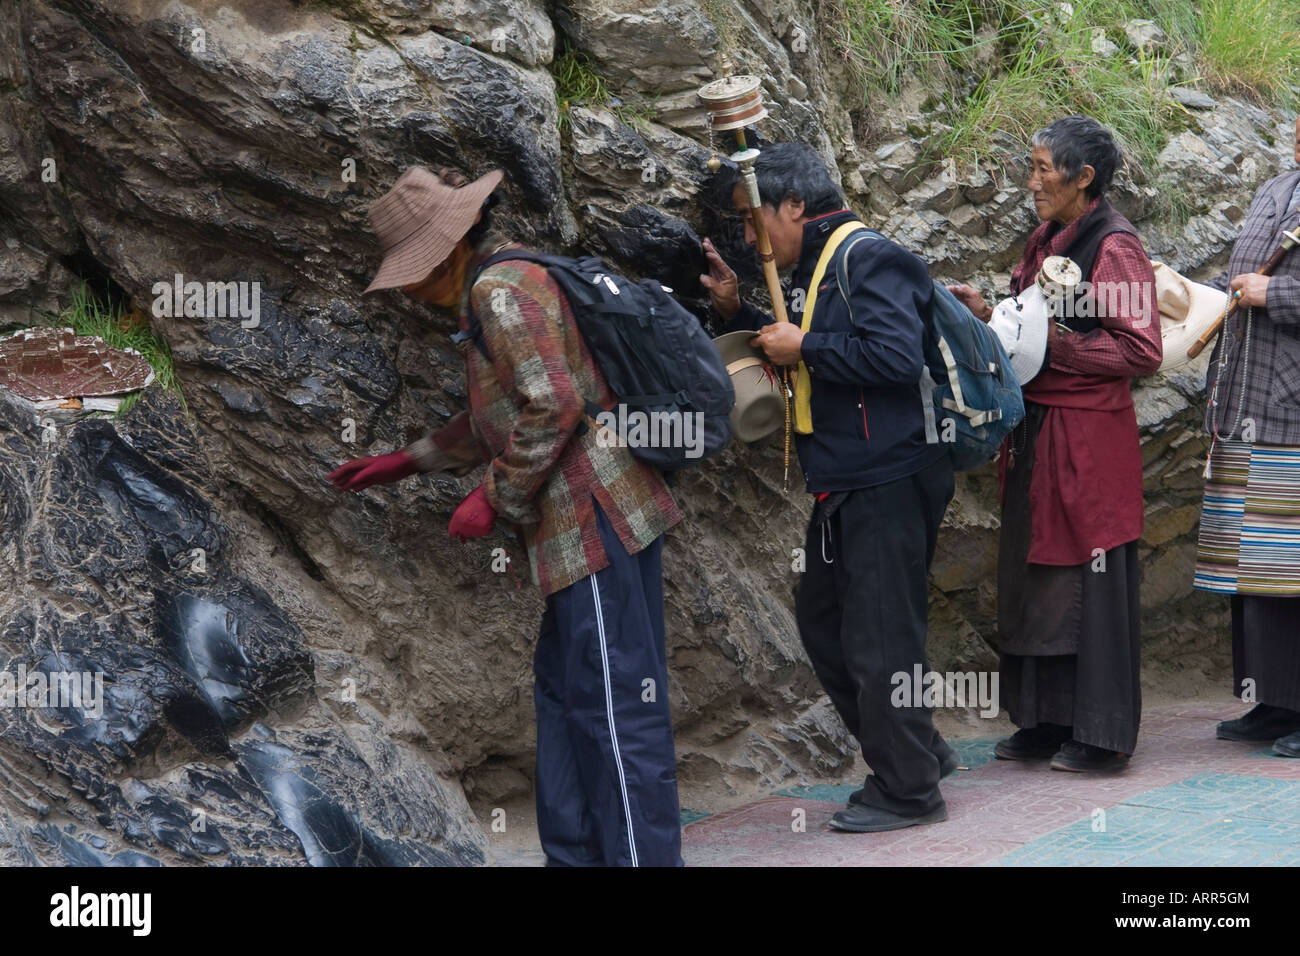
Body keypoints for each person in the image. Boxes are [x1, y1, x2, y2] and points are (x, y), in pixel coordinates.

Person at [328, 166, 686, 864]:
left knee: (614, 710)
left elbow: (554, 405)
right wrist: (408, 462)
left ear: (450, 249)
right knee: (566, 700)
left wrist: (491, 500)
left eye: (414, 268)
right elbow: (505, 411)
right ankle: (576, 855)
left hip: (594, 521)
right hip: (576, 535)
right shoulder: (496, 291)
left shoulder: (498, 294)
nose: (408, 284)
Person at [701, 142, 958, 832]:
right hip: (850, 477)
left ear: (794, 205)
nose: (752, 240)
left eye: (755, 224)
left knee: (880, 639)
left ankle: (909, 790)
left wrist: (804, 348)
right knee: (825, 624)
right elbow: (808, 340)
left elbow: (894, 357)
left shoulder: (870, 256)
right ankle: (921, 750)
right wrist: (739, 314)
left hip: (891, 475)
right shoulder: (821, 265)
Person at [949, 115, 1162, 772]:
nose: (1032, 180)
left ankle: (1101, 734)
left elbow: (1140, 348)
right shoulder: (1048, 236)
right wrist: (990, 318)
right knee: (1034, 575)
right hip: (1038, 433)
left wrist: (1054, 349)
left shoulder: (1115, 247)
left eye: (1044, 168)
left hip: (1087, 440)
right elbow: (1030, 320)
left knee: (1086, 577)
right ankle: (1044, 720)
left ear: (1083, 177)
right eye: (1034, 165)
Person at [1193, 114, 1300, 757]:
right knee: (1254, 566)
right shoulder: (1276, 187)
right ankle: (1275, 700)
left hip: (1294, 410)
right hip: (1246, 400)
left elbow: (1268, 287)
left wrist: (1277, 293)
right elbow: (1244, 277)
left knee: (1294, 566)